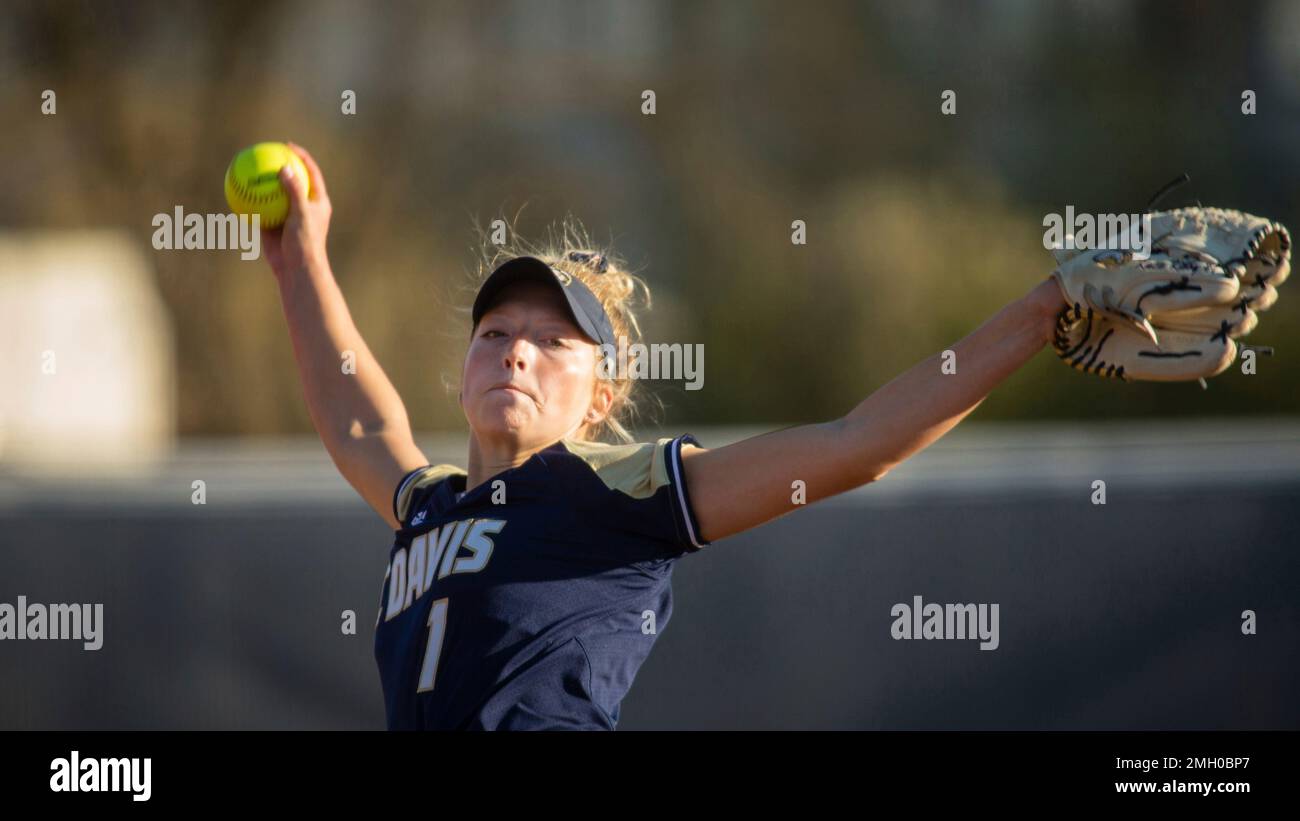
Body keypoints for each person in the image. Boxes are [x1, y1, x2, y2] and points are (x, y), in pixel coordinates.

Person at [263, 143, 1067, 729]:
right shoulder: (426, 506)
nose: (515, 347)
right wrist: (301, 261)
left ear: (599, 399)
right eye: (496, 331)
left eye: (554, 341)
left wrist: (1042, 311)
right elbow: (359, 418)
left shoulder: (614, 490)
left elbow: (858, 442)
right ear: (466, 365)